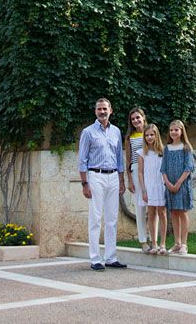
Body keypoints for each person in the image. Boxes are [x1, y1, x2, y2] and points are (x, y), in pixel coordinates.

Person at [78, 97, 127, 270]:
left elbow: (120, 159)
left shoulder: (116, 132)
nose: (102, 112)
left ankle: (111, 257)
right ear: (95, 111)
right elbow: (82, 160)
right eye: (99, 109)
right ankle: (95, 259)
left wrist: (122, 180)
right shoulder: (88, 132)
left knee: (112, 218)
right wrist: (85, 183)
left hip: (113, 176)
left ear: (110, 111)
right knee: (95, 218)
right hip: (95, 176)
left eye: (105, 109)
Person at [162, 119, 195, 256]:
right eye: (171, 130)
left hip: (182, 185)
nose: (173, 132)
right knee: (174, 213)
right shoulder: (167, 149)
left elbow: (188, 168)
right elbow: (163, 168)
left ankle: (184, 244)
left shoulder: (186, 147)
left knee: (182, 212)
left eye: (176, 130)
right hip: (170, 186)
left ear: (181, 131)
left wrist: (178, 184)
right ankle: (177, 243)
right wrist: (168, 183)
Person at [137, 123, 167, 255]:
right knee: (151, 214)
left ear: (156, 135)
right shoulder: (142, 153)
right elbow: (140, 172)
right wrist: (143, 190)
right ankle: (153, 243)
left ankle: (163, 244)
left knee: (162, 214)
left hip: (161, 186)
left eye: (152, 134)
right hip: (148, 187)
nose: (149, 137)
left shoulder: (163, 151)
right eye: (147, 135)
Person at [124, 107, 148, 249]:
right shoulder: (129, 138)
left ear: (143, 117)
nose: (136, 121)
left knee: (153, 206)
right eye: (133, 119)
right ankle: (143, 241)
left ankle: (154, 240)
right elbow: (128, 160)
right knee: (140, 207)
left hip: (151, 172)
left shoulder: (151, 132)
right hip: (135, 171)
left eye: (138, 117)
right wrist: (130, 180)